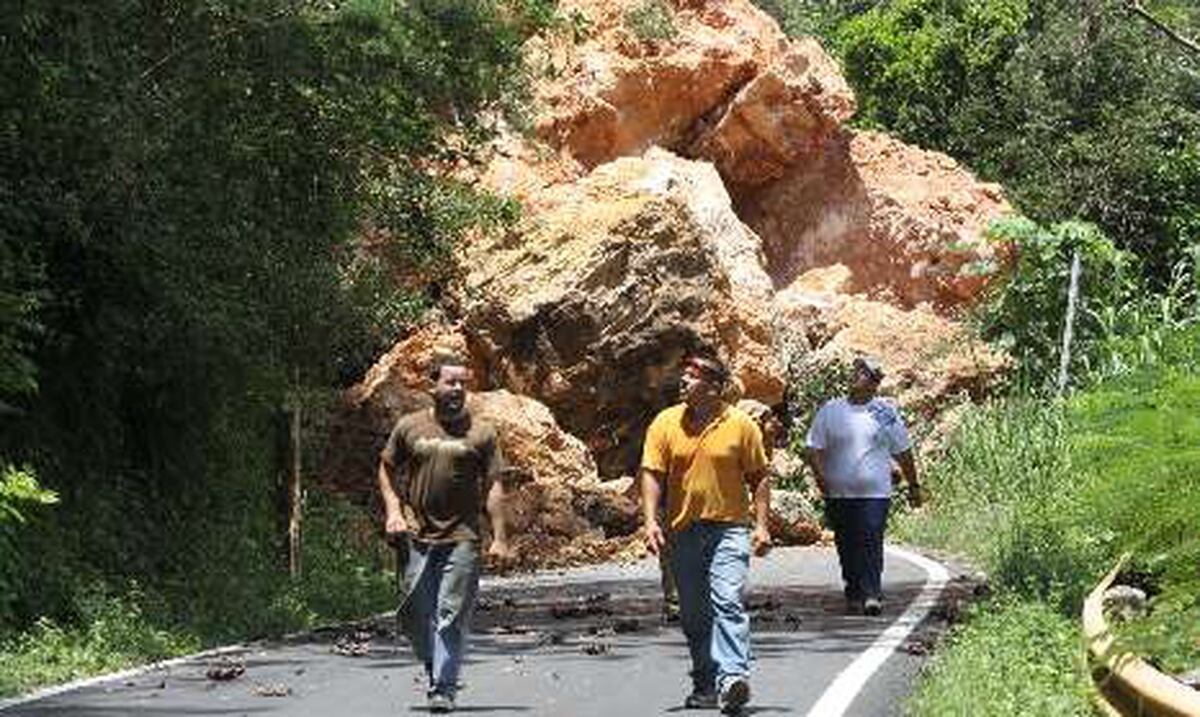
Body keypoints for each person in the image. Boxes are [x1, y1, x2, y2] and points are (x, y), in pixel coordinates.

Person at [377, 354, 514, 714]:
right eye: (450, 382)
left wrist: (499, 537)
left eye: (463, 384)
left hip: (463, 537)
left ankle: (444, 687)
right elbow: (386, 468)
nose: (457, 389)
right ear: (432, 386)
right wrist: (393, 511)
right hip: (416, 536)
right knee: (412, 613)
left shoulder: (482, 433)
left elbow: (495, 485)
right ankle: (434, 664)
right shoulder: (409, 427)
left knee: (451, 613)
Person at [641, 353, 772, 714]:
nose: (683, 382)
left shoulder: (742, 425)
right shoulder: (665, 423)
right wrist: (651, 520)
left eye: (692, 377)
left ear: (714, 388)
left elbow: (759, 476)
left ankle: (733, 678)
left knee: (727, 600)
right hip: (682, 531)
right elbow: (652, 473)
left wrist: (761, 525)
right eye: (682, 375)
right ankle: (704, 681)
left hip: (728, 528)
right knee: (695, 614)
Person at [804, 356, 921, 617]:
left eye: (863, 372)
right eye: (855, 370)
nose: (855, 375)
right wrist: (820, 476)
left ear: (874, 382)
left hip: (875, 493)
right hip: (838, 493)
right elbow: (813, 448)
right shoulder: (831, 410)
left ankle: (872, 593)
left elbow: (903, 451)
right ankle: (854, 591)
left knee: (870, 539)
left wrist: (914, 485)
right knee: (846, 544)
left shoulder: (885, 413)